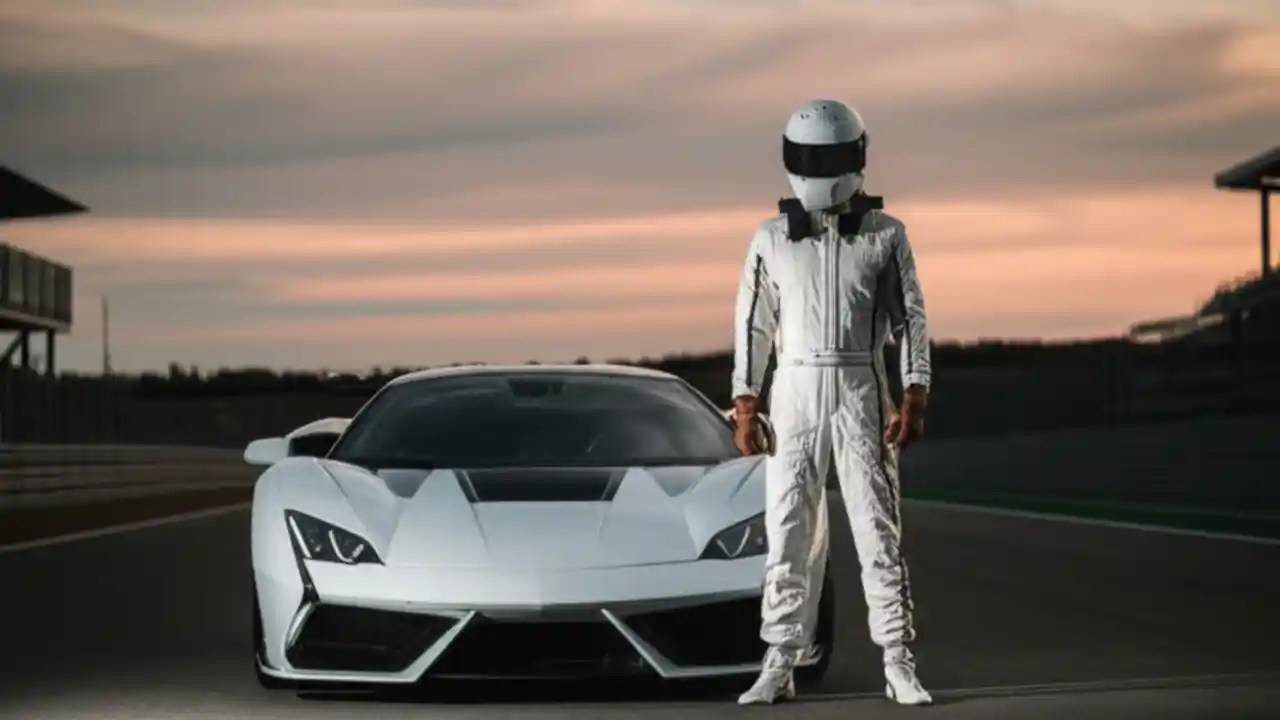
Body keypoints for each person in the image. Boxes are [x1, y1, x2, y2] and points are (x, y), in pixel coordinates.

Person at [732, 99, 933, 706]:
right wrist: (745, 402)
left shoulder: (886, 235)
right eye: (814, 156)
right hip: (793, 390)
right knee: (789, 528)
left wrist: (915, 393)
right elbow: (752, 325)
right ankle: (780, 661)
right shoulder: (770, 239)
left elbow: (912, 319)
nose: (822, 166)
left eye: (831, 156)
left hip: (859, 388)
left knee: (877, 529)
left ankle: (898, 661)